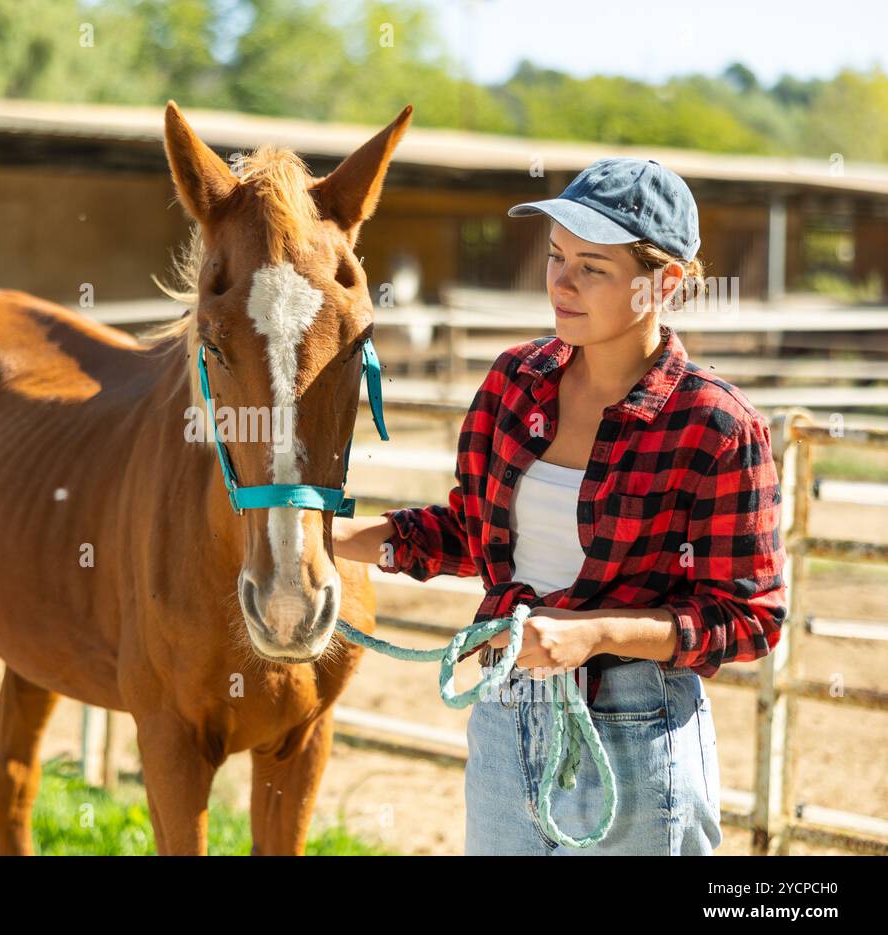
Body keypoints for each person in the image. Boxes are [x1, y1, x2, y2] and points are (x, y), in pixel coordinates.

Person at [332, 157, 787, 855]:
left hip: (639, 723)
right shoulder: (515, 381)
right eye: (555, 257)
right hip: (506, 706)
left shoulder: (717, 426)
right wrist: (325, 537)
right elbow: (469, 530)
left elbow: (749, 619)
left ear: (661, 284)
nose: (561, 284)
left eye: (592, 268)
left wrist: (592, 635)